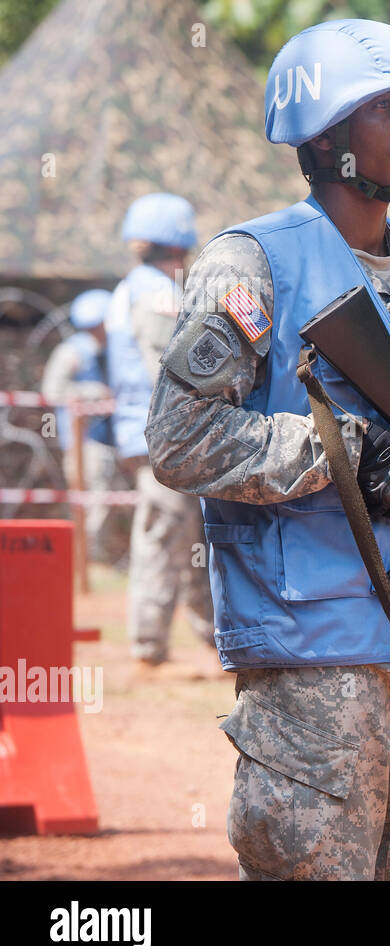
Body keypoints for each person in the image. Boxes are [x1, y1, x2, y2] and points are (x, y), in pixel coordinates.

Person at [145, 19, 390, 881]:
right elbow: (179, 440)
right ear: (326, 139)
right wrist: (345, 454)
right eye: (386, 106)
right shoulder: (251, 264)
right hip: (315, 657)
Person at [105, 193, 215, 678]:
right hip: (163, 437)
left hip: (154, 435)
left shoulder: (137, 285)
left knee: (193, 537)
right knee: (165, 533)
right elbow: (167, 366)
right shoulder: (157, 292)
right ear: (181, 244)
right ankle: (148, 644)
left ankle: (216, 640)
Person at [41, 289, 116, 560]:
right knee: (90, 501)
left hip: (111, 439)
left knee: (105, 500)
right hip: (82, 441)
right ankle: (84, 560)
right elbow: (52, 391)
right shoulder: (72, 352)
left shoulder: (114, 349)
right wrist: (93, 392)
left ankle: (92, 559)